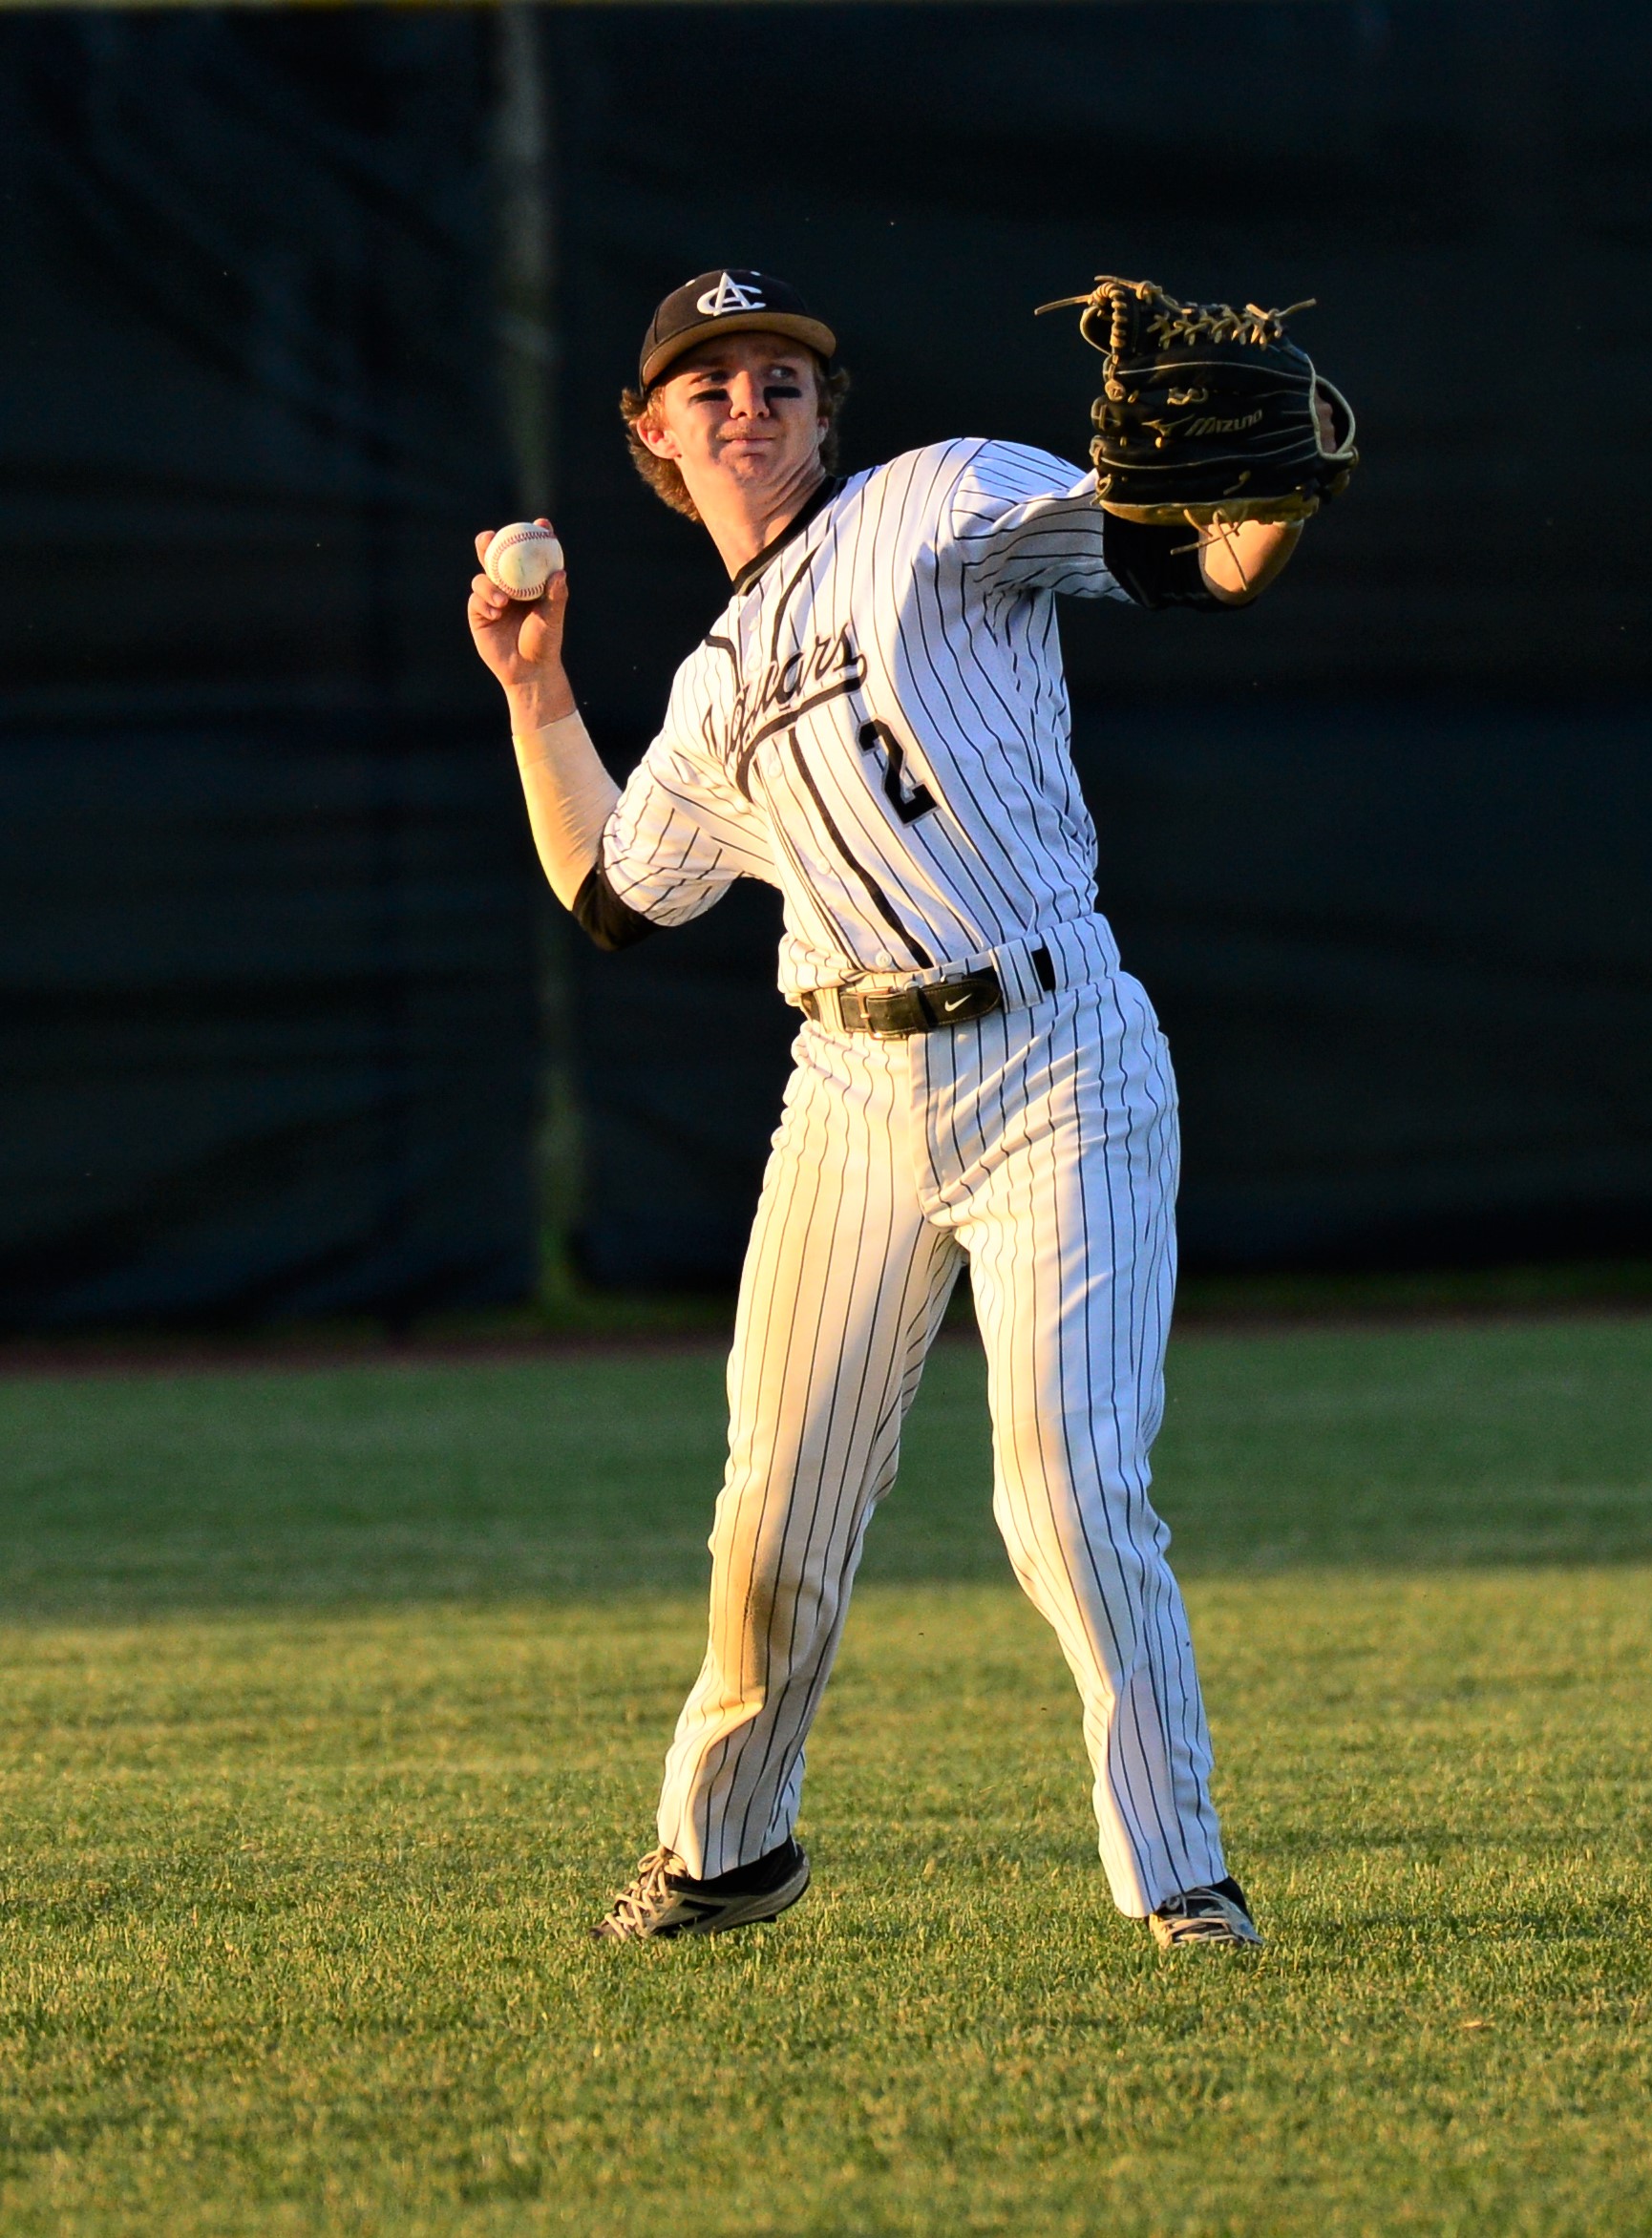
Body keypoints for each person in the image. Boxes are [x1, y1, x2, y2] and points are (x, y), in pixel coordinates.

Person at [467, 268, 1335, 1953]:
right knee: (774, 1511)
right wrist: (536, 690)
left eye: (782, 369)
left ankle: (1182, 1882)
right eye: (708, 380)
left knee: (1068, 1495)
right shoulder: (712, 693)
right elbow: (611, 896)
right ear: (653, 432)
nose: (749, 397)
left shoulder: (937, 498)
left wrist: (1269, 512)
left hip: (1055, 1053)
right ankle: (727, 1852)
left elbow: (1187, 555)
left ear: (823, 404)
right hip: (851, 1092)